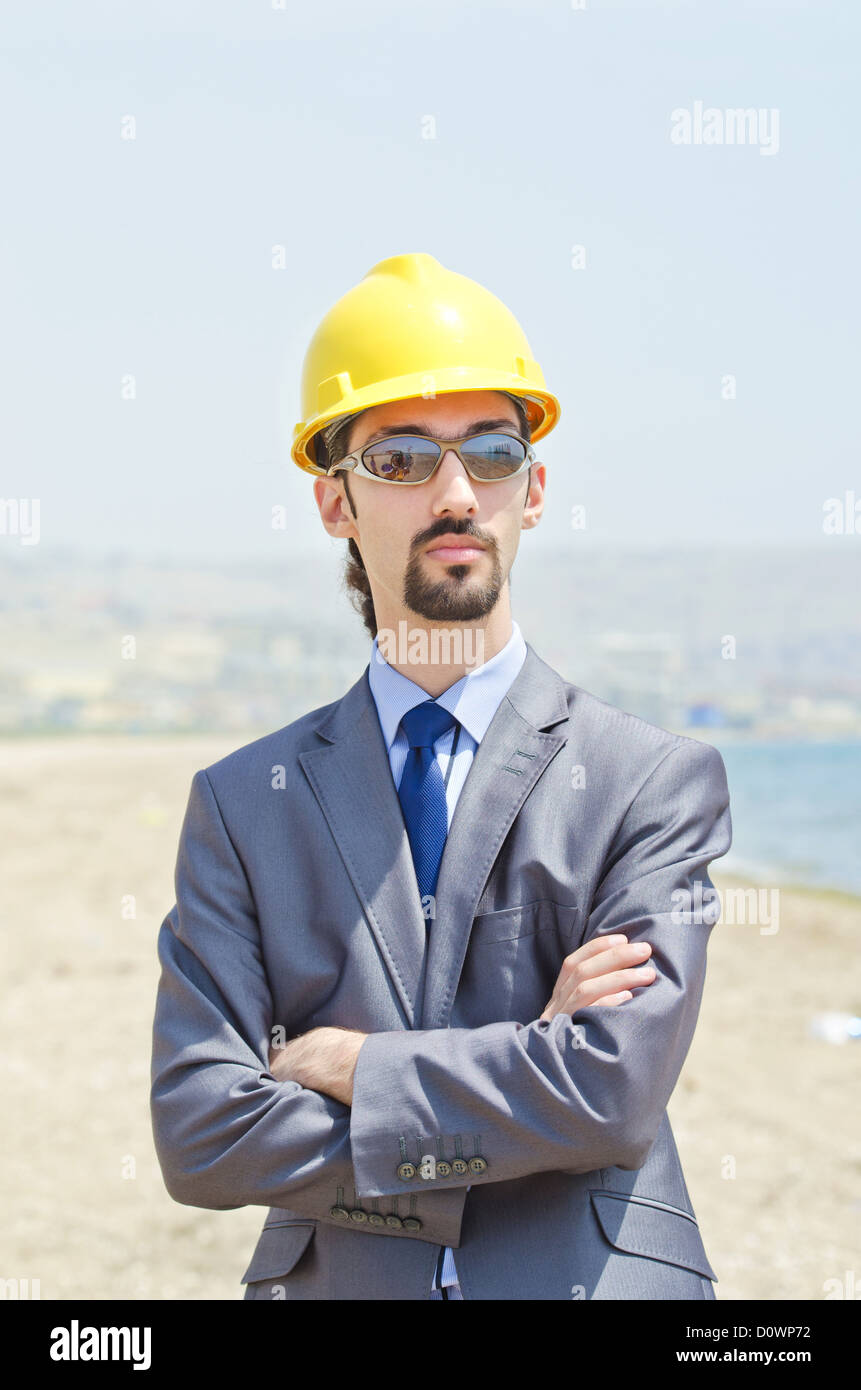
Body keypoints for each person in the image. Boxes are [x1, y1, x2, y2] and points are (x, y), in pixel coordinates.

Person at [150, 252, 732, 1300]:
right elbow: (201, 1130)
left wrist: (354, 1070)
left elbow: (612, 1090)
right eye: (404, 459)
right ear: (335, 502)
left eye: (492, 452)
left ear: (535, 489)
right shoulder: (244, 806)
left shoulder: (655, 782)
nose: (458, 492)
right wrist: (516, 1095)